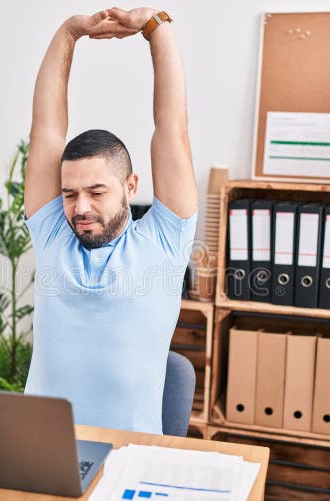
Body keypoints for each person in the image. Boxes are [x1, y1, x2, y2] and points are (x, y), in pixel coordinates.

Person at [23, 7, 198, 434]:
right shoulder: (52, 237)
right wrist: (68, 33)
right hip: (42, 451)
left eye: (97, 192)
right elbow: (45, 131)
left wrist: (156, 28)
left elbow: (171, 127)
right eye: (69, 194)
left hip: (131, 460)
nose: (80, 206)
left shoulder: (165, 241)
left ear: (130, 186)